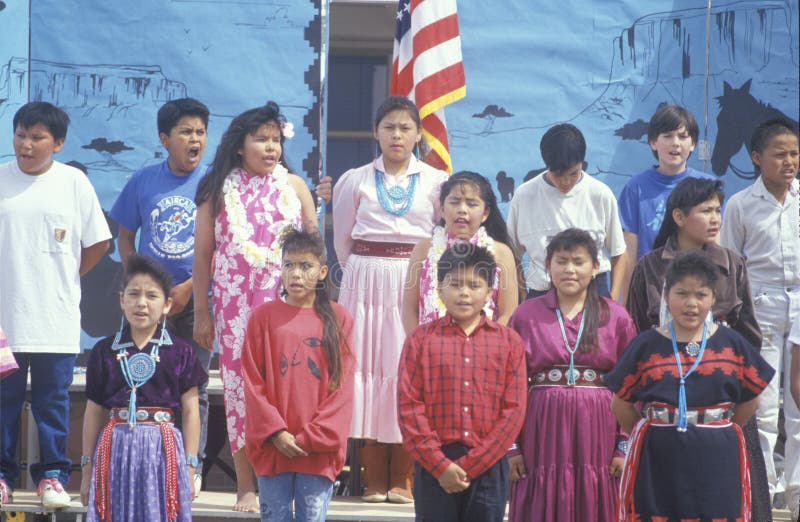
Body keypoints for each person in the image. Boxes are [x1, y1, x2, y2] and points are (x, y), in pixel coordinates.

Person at [193, 101, 319, 512]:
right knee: (240, 392)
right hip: (235, 310)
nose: (270, 148)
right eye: (260, 139)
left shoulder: (295, 188)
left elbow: (314, 252)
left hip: (288, 306)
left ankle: (287, 484)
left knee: (287, 390)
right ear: (239, 145)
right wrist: (201, 312)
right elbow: (202, 256)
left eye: (276, 140)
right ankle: (246, 484)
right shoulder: (217, 189)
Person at [626, 176, 772, 520]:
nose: (716, 219)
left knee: (728, 496)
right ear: (678, 217)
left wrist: (730, 383)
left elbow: (749, 334)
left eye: (718, 210)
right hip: (664, 399)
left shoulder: (731, 263)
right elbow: (636, 333)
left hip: (722, 395)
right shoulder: (649, 266)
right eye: (705, 210)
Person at [332, 95, 448, 503]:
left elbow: (439, 234)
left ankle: (404, 475)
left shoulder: (436, 181)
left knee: (406, 369)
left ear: (419, 134)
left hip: (414, 278)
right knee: (366, 369)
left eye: (405, 128)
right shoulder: (355, 179)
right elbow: (342, 242)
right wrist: (365, 274)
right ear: (375, 133)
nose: (397, 136)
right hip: (364, 279)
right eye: (389, 128)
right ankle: (372, 477)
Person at [605, 251, 774, 521]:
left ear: (714, 298)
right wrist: (653, 429)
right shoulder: (646, 345)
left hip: (718, 456)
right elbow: (620, 404)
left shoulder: (732, 344)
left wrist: (717, 428)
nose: (691, 304)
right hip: (659, 454)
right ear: (666, 295)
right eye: (682, 293)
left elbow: (751, 400)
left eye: (701, 294)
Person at [0, 101, 111, 507]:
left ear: (58, 143)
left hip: (55, 319)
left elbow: (99, 241)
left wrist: (65, 276)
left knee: (52, 401)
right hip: (4, 320)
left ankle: (52, 478)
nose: (26, 145)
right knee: (4, 402)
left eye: (37, 137)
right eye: (20, 135)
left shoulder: (73, 183)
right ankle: (2, 476)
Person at [109, 97, 211, 493]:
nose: (195, 139)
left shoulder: (213, 182)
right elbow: (125, 235)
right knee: (138, 380)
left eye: (200, 132)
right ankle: (141, 459)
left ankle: (191, 465)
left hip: (194, 301)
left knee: (193, 386)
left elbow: (221, 246)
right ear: (165, 138)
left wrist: (188, 290)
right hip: (147, 308)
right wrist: (142, 288)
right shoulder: (144, 180)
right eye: (186, 132)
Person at [506, 228, 636, 522]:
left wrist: (623, 444)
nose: (569, 269)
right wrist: (512, 446)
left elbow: (631, 386)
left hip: (600, 424)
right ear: (548, 266)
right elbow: (509, 385)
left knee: (596, 495)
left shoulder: (615, 317)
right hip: (541, 424)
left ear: (595, 268)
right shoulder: (525, 315)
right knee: (542, 494)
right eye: (561, 261)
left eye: (579, 262)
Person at [398, 245, 526, 522]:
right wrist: (439, 465)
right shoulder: (419, 341)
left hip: (489, 464)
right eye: (455, 284)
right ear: (440, 288)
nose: (464, 292)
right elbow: (409, 408)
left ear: (490, 290)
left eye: (474, 284)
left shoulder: (509, 342)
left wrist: (473, 464)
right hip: (434, 466)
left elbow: (514, 411)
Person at [80, 254, 205, 522]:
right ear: (121, 300)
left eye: (151, 296)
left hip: (162, 449)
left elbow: (192, 411)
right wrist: (88, 468)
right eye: (134, 294)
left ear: (168, 304)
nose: (141, 303)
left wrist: (190, 465)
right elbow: (93, 411)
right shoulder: (105, 351)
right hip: (116, 448)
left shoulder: (180, 352)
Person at [242, 230, 355, 522]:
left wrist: (311, 437)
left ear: (322, 271)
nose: (296, 274)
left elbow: (342, 389)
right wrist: (275, 432)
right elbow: (253, 382)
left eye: (306, 266)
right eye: (289, 265)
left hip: (317, 452)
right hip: (273, 446)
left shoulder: (339, 319)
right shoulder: (262, 318)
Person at [720, 118, 800, 510]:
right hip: (761, 305)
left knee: (799, 403)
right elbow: (730, 263)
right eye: (780, 154)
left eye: (795, 153)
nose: (789, 162)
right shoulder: (740, 205)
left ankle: (798, 490)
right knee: (765, 404)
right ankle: (765, 492)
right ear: (757, 158)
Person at [507, 123, 626, 301]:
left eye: (573, 173)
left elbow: (618, 252)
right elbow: (511, 254)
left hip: (593, 293)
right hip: (542, 293)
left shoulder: (600, 194)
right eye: (558, 175)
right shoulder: (525, 196)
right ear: (547, 165)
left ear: (581, 163)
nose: (565, 182)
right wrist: (523, 295)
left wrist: (613, 299)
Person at [403, 171, 518, 332]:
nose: (462, 210)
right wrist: (418, 345)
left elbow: (508, 312)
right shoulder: (423, 249)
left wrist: (491, 345)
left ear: (485, 213)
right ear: (442, 209)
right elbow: (409, 310)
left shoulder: (501, 253)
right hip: (429, 348)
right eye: (455, 202)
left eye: (471, 204)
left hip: (485, 350)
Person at [617, 105, 713, 268]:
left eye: (683, 137)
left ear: (693, 144)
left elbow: (715, 245)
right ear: (653, 142)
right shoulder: (635, 188)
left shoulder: (707, 187)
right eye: (667, 136)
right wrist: (628, 293)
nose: (675, 143)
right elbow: (629, 253)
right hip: (650, 286)